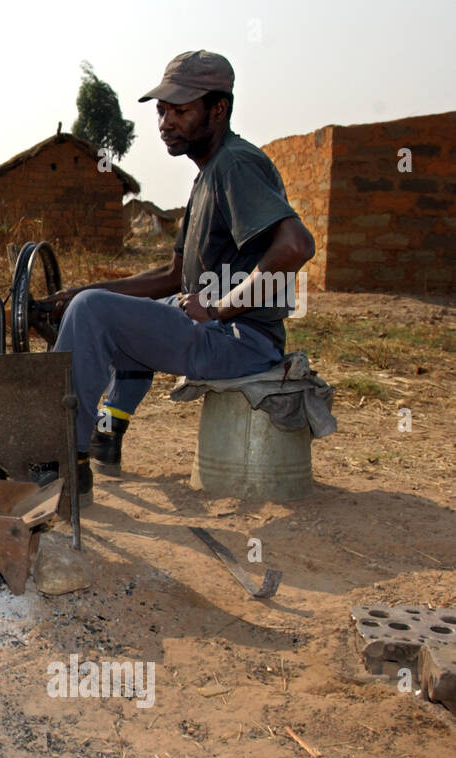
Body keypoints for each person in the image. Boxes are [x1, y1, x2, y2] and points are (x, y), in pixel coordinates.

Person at [44, 50, 314, 500]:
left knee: (97, 315)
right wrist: (85, 292)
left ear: (218, 109)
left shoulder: (236, 165)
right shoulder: (208, 174)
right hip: (218, 326)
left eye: (181, 110)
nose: (166, 122)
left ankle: (63, 462)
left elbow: (296, 246)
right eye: (162, 111)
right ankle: (107, 431)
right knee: (107, 309)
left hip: (240, 337)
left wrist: (222, 306)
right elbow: (172, 276)